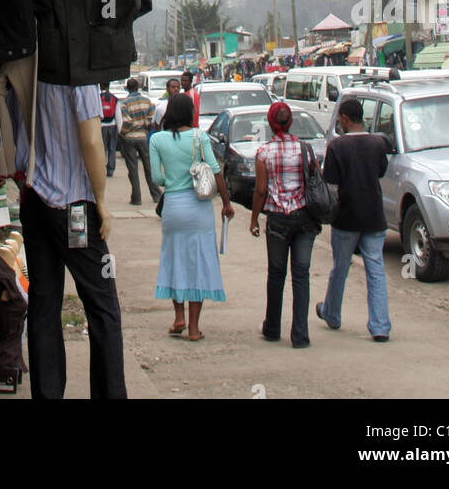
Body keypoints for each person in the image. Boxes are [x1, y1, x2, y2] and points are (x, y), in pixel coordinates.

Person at [11, 81, 127, 399]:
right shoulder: (80, 75)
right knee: (103, 307)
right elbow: (91, 139)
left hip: (35, 199)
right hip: (75, 206)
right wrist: (101, 200)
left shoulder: (29, 68)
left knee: (44, 307)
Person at [149, 93, 233, 340]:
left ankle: (179, 317)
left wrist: (172, 183)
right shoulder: (199, 136)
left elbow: (156, 178)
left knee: (175, 258)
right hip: (199, 207)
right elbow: (216, 173)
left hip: (173, 207)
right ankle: (195, 328)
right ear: (190, 113)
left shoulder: (157, 140)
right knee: (197, 263)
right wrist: (226, 204)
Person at [317, 96, 391, 341]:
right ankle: (380, 326)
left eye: (339, 117)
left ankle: (332, 313)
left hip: (346, 217)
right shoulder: (377, 143)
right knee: (376, 270)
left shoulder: (337, 147)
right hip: (373, 215)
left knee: (340, 268)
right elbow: (381, 171)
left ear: (345, 119)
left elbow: (331, 185)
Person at [249, 101, 320, 348]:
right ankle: (300, 335)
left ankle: (272, 327)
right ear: (290, 123)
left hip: (278, 219)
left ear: (270, 124)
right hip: (304, 219)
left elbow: (260, 190)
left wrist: (254, 218)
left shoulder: (264, 153)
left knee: (276, 274)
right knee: (301, 276)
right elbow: (314, 180)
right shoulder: (306, 150)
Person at [118, 77, 161, 205]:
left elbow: (127, 122)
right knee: (148, 167)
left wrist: (123, 133)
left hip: (130, 138)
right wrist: (145, 130)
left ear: (127, 88)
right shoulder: (147, 101)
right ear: (138, 88)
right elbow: (150, 121)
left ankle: (136, 198)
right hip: (142, 137)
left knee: (133, 169)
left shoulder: (124, 103)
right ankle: (156, 195)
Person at [99, 83, 122, 177]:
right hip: (112, 125)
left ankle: (101, 168)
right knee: (112, 148)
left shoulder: (98, 98)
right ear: (109, 86)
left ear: (100, 86)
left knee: (102, 148)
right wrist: (120, 130)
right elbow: (118, 115)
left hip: (101, 125)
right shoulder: (115, 99)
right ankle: (110, 169)